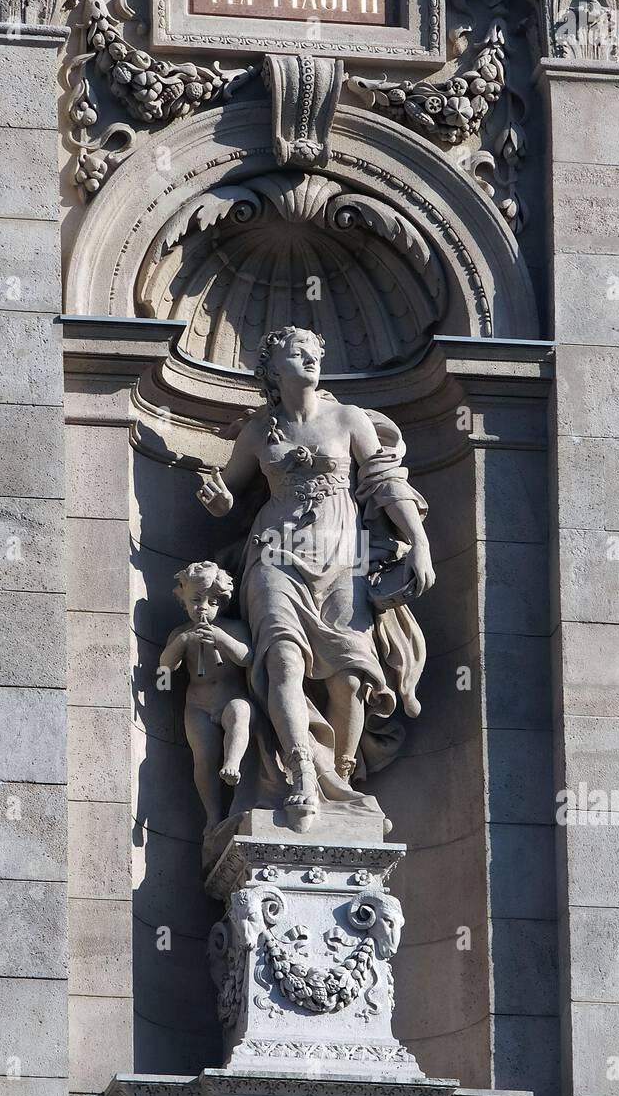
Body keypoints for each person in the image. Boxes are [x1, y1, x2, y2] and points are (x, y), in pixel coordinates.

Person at [196, 326, 434, 827]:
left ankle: (341, 779)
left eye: (314, 351)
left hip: (344, 557)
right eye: (295, 351)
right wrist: (217, 501)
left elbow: (386, 483)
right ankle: (302, 772)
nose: (309, 357)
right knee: (281, 661)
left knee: (350, 676)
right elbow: (229, 493)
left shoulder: (347, 420)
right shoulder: (259, 432)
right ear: (271, 369)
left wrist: (422, 546)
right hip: (275, 558)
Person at [159, 561, 254, 832]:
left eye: (212, 602)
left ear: (221, 604)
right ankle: (213, 815)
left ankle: (233, 762)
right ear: (183, 600)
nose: (203, 607)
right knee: (203, 757)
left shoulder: (231, 629)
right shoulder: (180, 634)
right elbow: (164, 670)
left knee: (240, 712)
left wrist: (222, 639)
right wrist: (182, 642)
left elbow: (248, 658)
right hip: (198, 705)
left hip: (229, 698)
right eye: (196, 600)